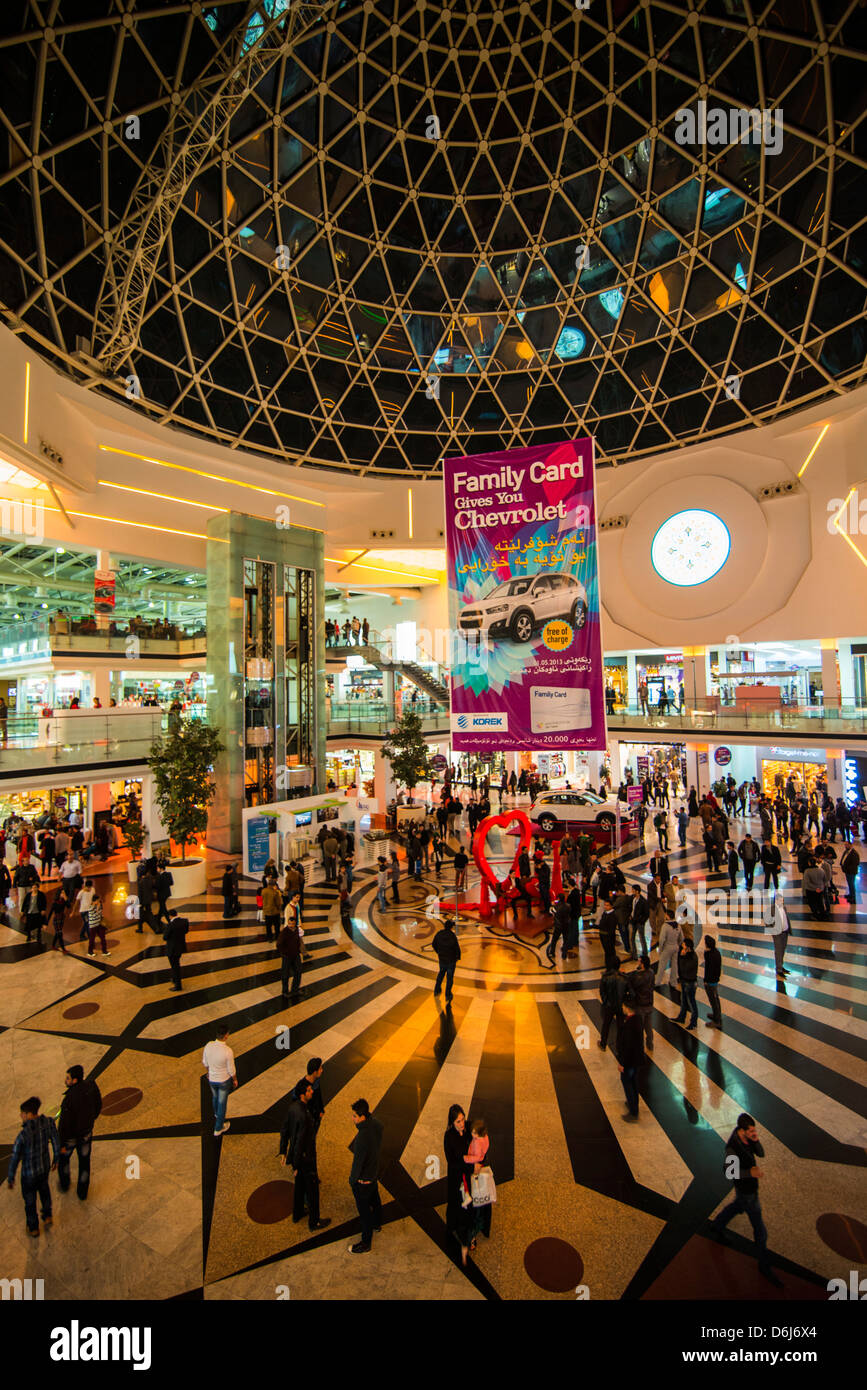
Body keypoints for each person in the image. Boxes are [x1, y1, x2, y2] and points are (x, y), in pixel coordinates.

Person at [709, 1113, 782, 1286]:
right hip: (747, 1191)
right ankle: (763, 1266)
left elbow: (761, 1154)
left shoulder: (748, 1139)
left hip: (749, 1191)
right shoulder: (732, 1148)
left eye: (754, 1129)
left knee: (736, 1206)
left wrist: (755, 1139)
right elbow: (729, 1172)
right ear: (741, 1131)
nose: (753, 1132)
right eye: (750, 1130)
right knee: (760, 1231)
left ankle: (717, 1225)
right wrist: (750, 1173)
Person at [279, 1078, 330, 1231]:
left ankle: (298, 1213)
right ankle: (314, 1222)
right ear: (303, 1094)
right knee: (312, 1191)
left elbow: (285, 1130)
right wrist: (296, 1165)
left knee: (299, 1186)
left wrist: (283, 1150)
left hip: (298, 1158)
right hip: (306, 1159)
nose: (311, 1092)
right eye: (309, 1090)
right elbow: (301, 1142)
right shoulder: (305, 1116)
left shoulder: (293, 1107)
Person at [6, 1096, 59, 1237]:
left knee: (30, 1201)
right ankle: (47, 1216)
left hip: (29, 1175)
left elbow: (15, 1157)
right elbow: (55, 1139)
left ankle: (33, 1227)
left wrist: (11, 1177)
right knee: (45, 1192)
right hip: (44, 1168)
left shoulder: (23, 1135)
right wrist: (56, 1157)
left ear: (29, 1114)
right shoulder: (48, 1123)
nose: (20, 1116)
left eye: (22, 1113)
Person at [57, 1064, 102, 1200]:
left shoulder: (69, 1099)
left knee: (64, 1159)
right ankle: (82, 1192)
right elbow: (98, 1105)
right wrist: (91, 1120)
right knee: (84, 1163)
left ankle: (65, 1183)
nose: (66, 1080)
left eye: (68, 1078)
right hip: (86, 1133)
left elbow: (64, 1124)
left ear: (75, 1080)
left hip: (71, 1137)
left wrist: (61, 1143)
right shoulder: (91, 1087)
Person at [347, 1098, 383, 1253]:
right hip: (373, 1173)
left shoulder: (361, 1137)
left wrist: (352, 1180)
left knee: (364, 1212)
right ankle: (377, 1223)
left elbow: (358, 1163)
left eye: (354, 1116)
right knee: (375, 1199)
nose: (353, 1119)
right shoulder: (376, 1124)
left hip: (364, 1180)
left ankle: (366, 1242)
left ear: (362, 1117)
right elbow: (380, 1128)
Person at [202, 1024, 237, 1137]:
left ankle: (217, 1114)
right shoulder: (228, 1051)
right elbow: (231, 1069)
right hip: (223, 1081)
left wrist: (208, 1072)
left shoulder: (208, 1045)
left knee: (215, 1097)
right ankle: (218, 1127)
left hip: (212, 1079)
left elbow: (205, 1062)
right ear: (226, 1036)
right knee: (222, 1103)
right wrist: (235, 1079)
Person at [617, 997, 645, 1120]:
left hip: (630, 1061)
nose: (622, 1008)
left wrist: (623, 1063)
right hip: (637, 1059)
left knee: (628, 1083)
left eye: (623, 1006)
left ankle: (633, 1111)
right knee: (633, 1082)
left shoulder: (629, 1025)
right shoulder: (637, 1019)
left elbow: (628, 1046)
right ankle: (633, 1104)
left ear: (628, 1008)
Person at [277, 894, 303, 999]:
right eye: (290, 924)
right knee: (285, 974)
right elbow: (279, 944)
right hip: (287, 955)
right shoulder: (284, 932)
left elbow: (298, 941)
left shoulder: (297, 930)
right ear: (288, 923)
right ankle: (285, 991)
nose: (292, 926)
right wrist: (284, 952)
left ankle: (295, 989)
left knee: (298, 971)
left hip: (295, 954)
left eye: (293, 924)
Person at [627, 953, 655, 1051]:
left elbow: (631, 984)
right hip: (649, 1003)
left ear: (642, 964)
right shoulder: (651, 973)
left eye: (639, 961)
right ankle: (650, 1043)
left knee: (639, 1027)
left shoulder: (638, 977)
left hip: (640, 1004)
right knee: (648, 1026)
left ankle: (639, 1046)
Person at [597, 958, 627, 1051]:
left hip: (609, 1006)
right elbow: (630, 991)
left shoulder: (605, 977)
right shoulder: (624, 977)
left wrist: (606, 1002)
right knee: (620, 1026)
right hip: (620, 1005)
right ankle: (619, 1046)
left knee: (606, 1025)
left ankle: (603, 1044)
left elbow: (602, 992)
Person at [432, 916, 460, 1003]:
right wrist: (457, 957)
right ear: (451, 927)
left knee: (441, 974)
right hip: (451, 960)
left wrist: (439, 952)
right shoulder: (452, 936)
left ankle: (437, 989)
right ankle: (448, 995)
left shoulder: (439, 934)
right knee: (449, 978)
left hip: (442, 958)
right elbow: (456, 948)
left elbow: (434, 944)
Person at [673, 935, 699, 1028]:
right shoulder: (687, 955)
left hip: (690, 983)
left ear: (688, 948)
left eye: (683, 945)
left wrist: (682, 957)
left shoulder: (693, 957)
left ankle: (694, 1022)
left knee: (692, 1003)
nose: (682, 947)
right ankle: (681, 1017)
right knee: (684, 1001)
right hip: (685, 981)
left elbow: (684, 968)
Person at [294, 1058, 326, 1132]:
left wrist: (321, 1110)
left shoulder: (316, 1081)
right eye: (320, 1068)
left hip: (316, 1117)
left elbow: (319, 1096)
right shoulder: (301, 1086)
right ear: (315, 1072)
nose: (322, 1070)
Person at [655, 909, 683, 991]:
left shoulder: (665, 926)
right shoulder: (678, 925)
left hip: (667, 947)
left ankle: (657, 982)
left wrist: (660, 949)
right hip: (675, 946)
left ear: (667, 916)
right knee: (674, 965)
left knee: (662, 965)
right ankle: (673, 982)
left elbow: (661, 939)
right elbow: (682, 938)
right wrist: (678, 944)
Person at [766, 891, 791, 979]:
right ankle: (779, 969)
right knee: (778, 951)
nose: (782, 901)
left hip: (785, 932)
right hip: (778, 934)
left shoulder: (784, 907)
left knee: (783, 950)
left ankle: (781, 966)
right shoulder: (771, 909)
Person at [163, 908, 189, 991]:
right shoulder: (184, 921)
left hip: (172, 949)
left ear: (170, 916)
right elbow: (186, 931)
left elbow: (165, 937)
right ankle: (174, 979)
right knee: (176, 964)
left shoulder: (170, 925)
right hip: (180, 947)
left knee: (175, 966)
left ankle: (178, 985)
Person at [704, 933, 723, 1027]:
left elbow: (709, 969)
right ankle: (717, 1015)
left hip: (710, 981)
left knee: (713, 1001)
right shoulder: (717, 952)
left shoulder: (710, 955)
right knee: (716, 999)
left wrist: (706, 981)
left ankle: (717, 1021)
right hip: (715, 980)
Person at [86, 889, 109, 958]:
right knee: (92, 939)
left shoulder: (99, 905)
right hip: (93, 925)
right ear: (94, 901)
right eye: (98, 900)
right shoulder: (90, 907)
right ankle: (90, 952)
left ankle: (104, 951)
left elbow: (100, 914)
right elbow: (94, 915)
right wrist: (98, 908)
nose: (99, 902)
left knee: (103, 937)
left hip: (99, 924)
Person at [155, 861, 174, 926]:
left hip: (161, 895)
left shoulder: (159, 876)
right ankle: (158, 919)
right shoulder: (169, 874)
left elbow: (157, 886)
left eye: (158, 868)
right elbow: (171, 883)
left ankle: (169, 921)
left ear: (161, 869)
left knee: (163, 908)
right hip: (167, 893)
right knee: (162, 906)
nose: (157, 869)